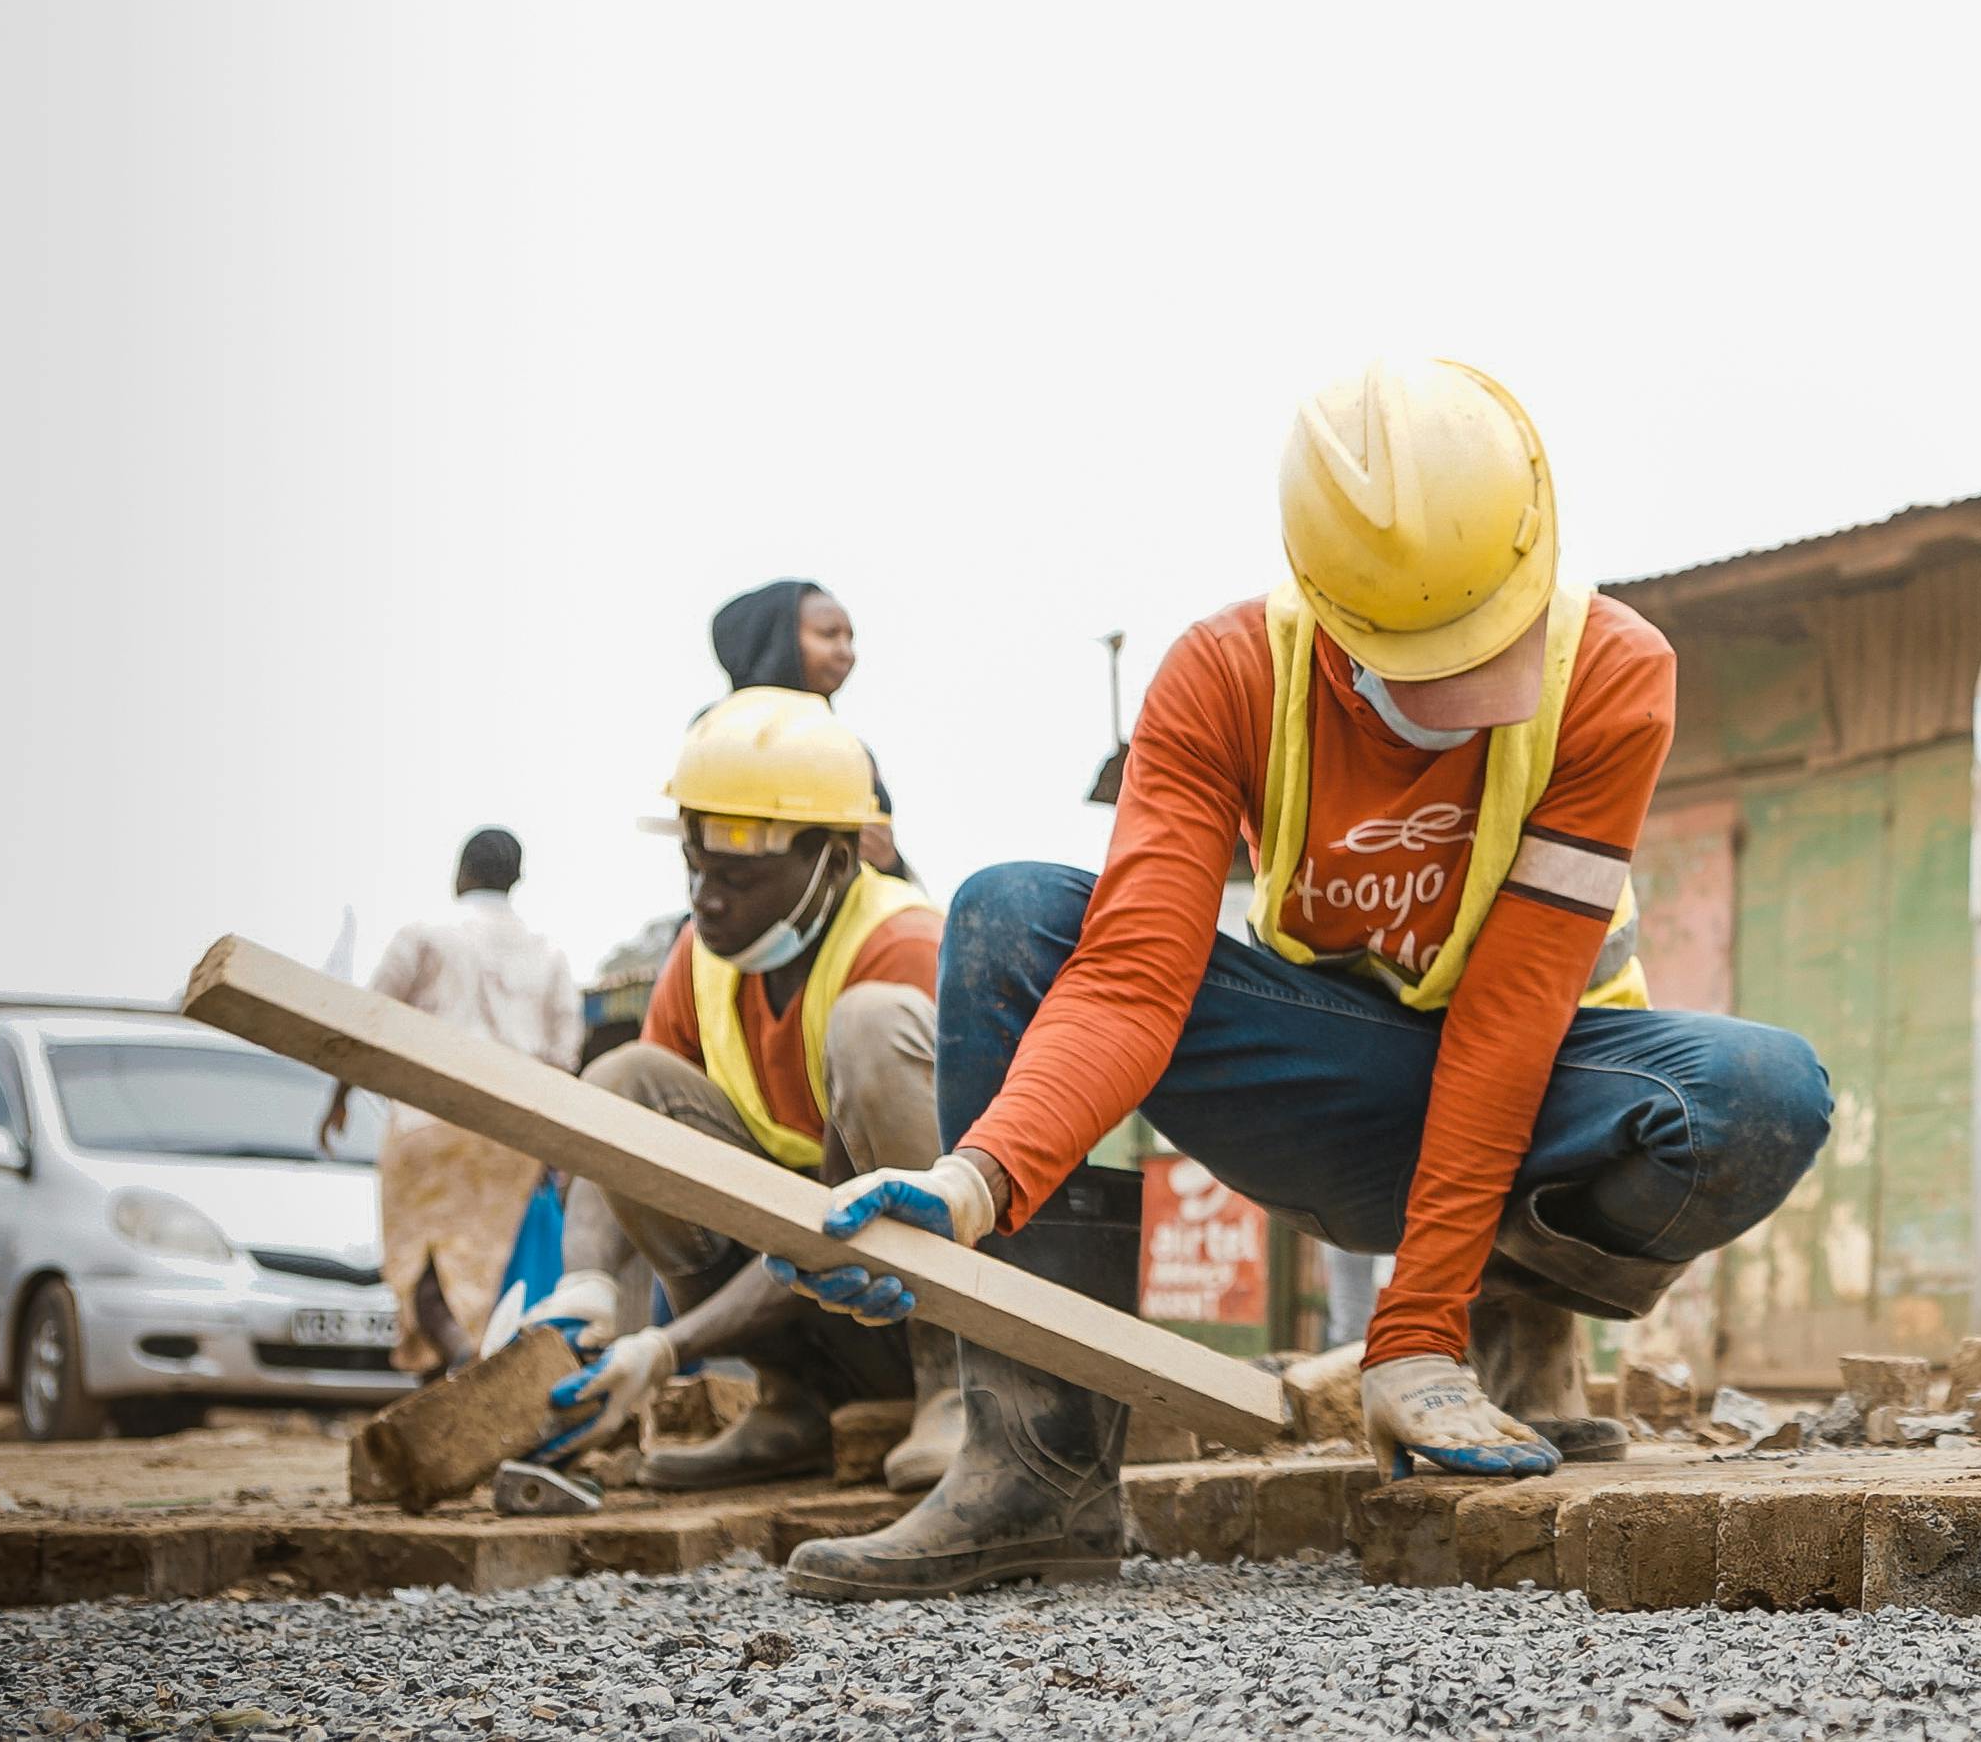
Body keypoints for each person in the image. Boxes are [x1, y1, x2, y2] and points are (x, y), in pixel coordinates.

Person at [770, 358, 1831, 1600]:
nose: (1462, 693)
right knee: (1011, 911)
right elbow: (1128, 980)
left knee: (1761, 1089)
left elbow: (1513, 1009)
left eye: (1485, 638)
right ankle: (1036, 1466)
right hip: (1341, 1092)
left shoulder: (1609, 670)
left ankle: (1514, 1304)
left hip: (1547, 1100)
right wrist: (970, 1181)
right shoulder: (1226, 676)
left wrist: (1418, 1326)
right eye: (1419, 657)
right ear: (1331, 610)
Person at [525, 688, 961, 1493]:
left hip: (900, 1291)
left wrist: (669, 1345)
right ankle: (793, 1402)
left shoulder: (903, 947)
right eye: (696, 866)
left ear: (832, 860)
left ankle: (956, 1390)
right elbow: (618, 1138)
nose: (707, 897)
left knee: (867, 1024)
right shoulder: (701, 957)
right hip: (802, 1295)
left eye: (739, 875)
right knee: (622, 1080)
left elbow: (842, 1222)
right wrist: (582, 1282)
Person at [318, 827, 580, 1377]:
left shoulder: (425, 935)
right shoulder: (550, 953)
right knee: (486, 1275)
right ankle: (475, 1369)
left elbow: (369, 1019)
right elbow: (564, 1054)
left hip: (426, 1122)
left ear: (462, 872)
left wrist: (338, 1099)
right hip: (513, 1135)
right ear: (518, 879)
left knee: (423, 1269)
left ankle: (463, 1362)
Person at [712, 578, 906, 877]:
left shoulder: (847, 747)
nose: (846, 652)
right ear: (778, 641)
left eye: (850, 638)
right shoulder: (720, 738)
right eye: (829, 635)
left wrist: (891, 864)